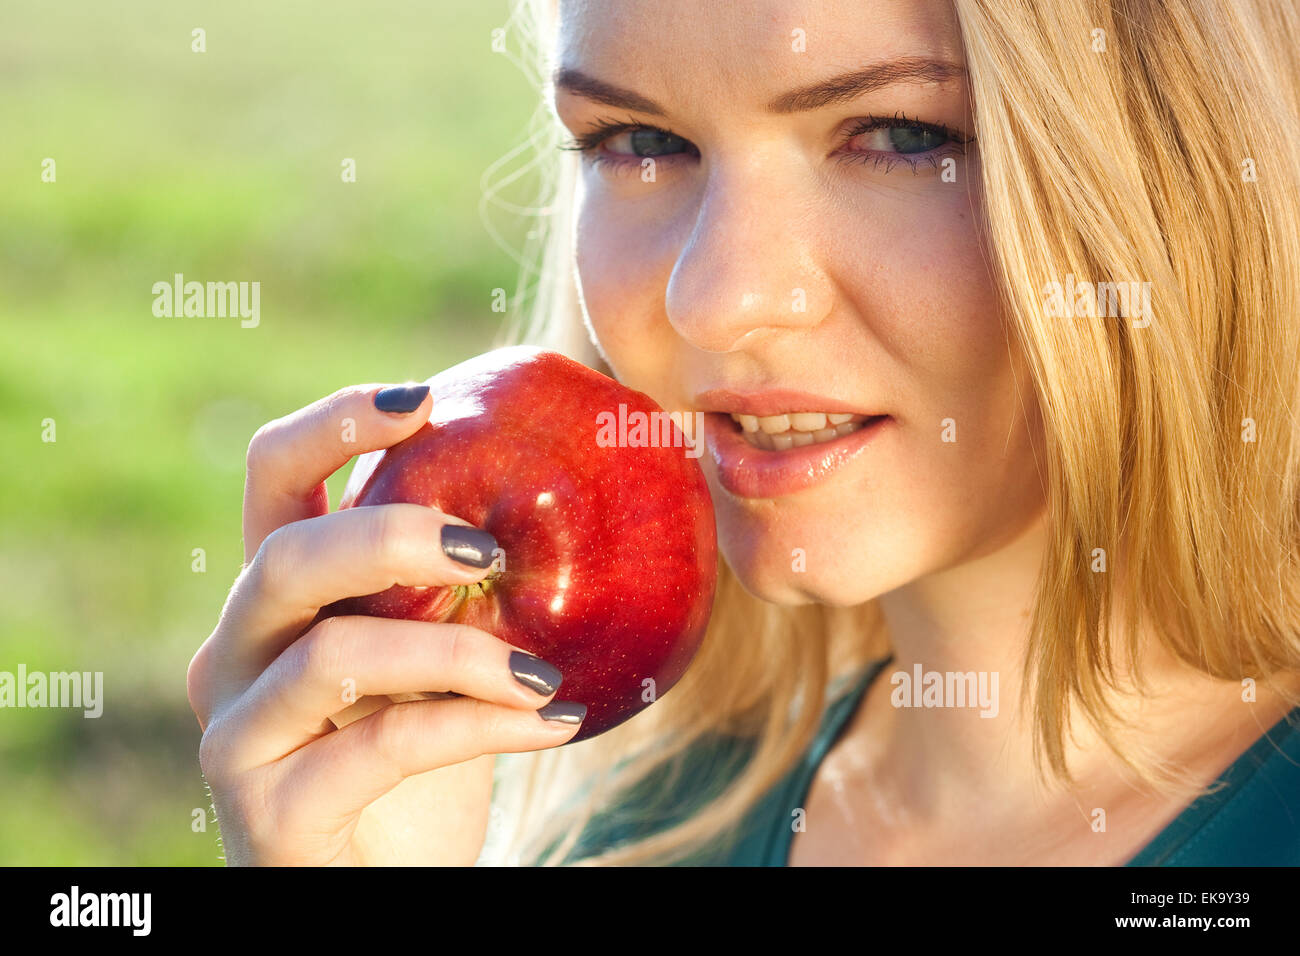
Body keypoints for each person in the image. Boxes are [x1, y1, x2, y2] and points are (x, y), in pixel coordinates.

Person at [187, 0, 1300, 866]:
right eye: (637, 139)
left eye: (900, 136)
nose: (713, 300)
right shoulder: (633, 829)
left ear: (1180, 175)